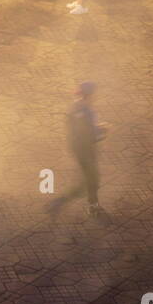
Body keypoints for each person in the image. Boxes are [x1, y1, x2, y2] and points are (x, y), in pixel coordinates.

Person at [48, 81, 109, 221]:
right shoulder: (87, 112)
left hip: (77, 148)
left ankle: (92, 206)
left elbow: (73, 128)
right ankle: (60, 203)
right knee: (88, 182)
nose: (96, 97)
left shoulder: (75, 107)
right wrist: (103, 130)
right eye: (94, 94)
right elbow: (91, 136)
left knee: (91, 180)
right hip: (85, 151)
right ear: (90, 95)